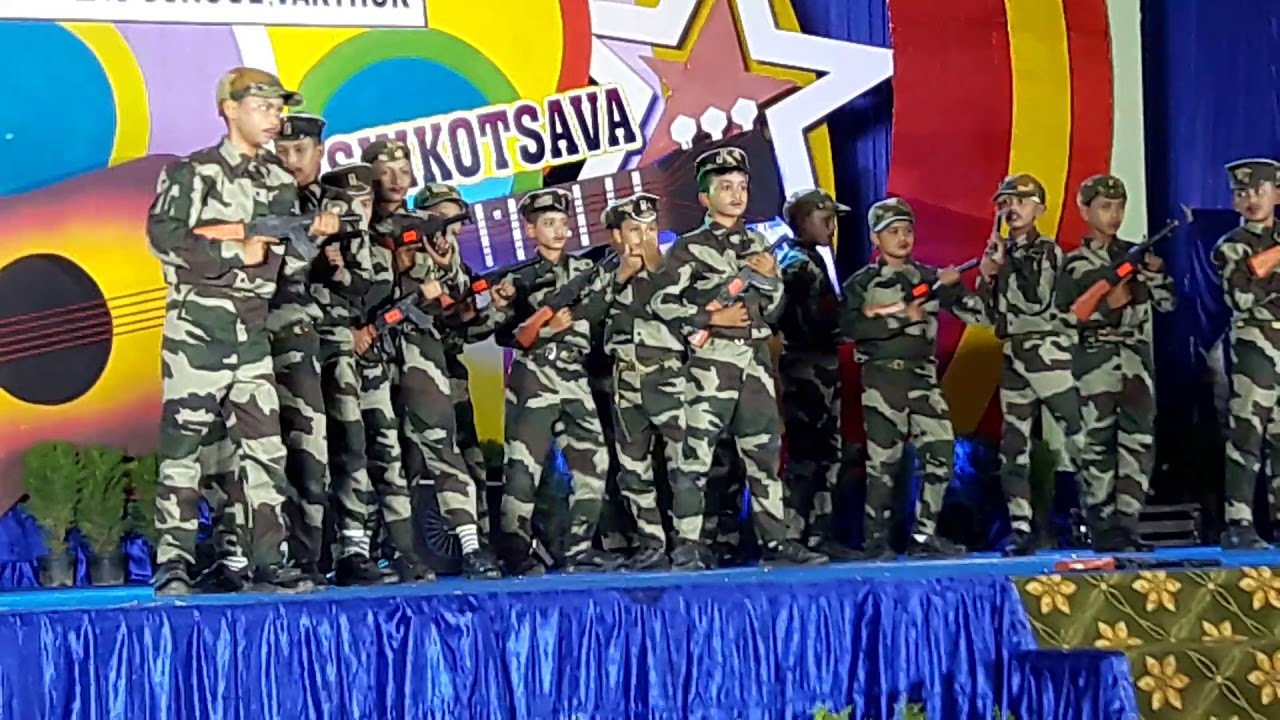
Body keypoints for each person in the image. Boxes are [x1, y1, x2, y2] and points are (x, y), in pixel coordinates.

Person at [146, 67, 336, 594]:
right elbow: (163, 238)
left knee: (266, 453)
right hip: (198, 332)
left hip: (253, 333)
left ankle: (269, 560)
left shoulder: (279, 181)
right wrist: (235, 250)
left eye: (278, 108)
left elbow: (286, 268)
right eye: (263, 107)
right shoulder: (194, 172)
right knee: (184, 453)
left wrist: (314, 239)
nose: (275, 118)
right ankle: (174, 562)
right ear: (230, 110)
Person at [649, 146, 826, 570]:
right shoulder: (689, 248)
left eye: (742, 186)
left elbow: (775, 310)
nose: (736, 194)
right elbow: (660, 303)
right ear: (704, 197)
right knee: (695, 457)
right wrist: (711, 316)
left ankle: (776, 542)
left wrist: (771, 279)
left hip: (756, 362)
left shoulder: (759, 244)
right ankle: (688, 544)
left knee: (764, 456)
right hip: (711, 363)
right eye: (725, 187)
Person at [841, 197, 986, 559]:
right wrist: (901, 317)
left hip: (923, 377)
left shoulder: (929, 278)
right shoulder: (862, 283)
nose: (903, 238)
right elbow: (849, 328)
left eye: (907, 230)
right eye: (893, 231)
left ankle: (924, 537)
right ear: (875, 238)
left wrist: (957, 286)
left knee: (941, 452)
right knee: (883, 465)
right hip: (882, 380)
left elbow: (981, 316)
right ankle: (876, 541)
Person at [494, 188, 624, 575]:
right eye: (548, 223)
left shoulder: (586, 270)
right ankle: (516, 551)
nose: (558, 230)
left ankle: (579, 549)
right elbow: (505, 335)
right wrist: (547, 329)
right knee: (524, 467)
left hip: (576, 375)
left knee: (594, 462)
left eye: (563, 223)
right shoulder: (519, 279)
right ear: (530, 230)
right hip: (535, 374)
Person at [1056, 174, 1175, 552]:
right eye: (1105, 207)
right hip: (1096, 361)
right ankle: (1102, 523)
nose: (1114, 215)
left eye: (1120, 207)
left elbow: (1168, 304)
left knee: (1138, 442)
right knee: (1096, 443)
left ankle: (1127, 522)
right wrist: (1109, 302)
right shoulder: (1074, 264)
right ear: (1085, 210)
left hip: (1136, 360)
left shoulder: (1135, 256)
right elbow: (1067, 317)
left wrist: (1155, 277)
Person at [392, 190, 505, 579]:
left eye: (455, 220)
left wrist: (485, 310)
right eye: (441, 217)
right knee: (395, 459)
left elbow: (470, 324)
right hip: (390, 363)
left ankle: (476, 543)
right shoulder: (398, 246)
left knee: (461, 455)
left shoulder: (457, 265)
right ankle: (396, 549)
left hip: (443, 369)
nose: (448, 228)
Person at [978, 174, 1086, 556]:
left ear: (1039, 208)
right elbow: (989, 312)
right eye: (1006, 202)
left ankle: (1101, 517)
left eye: (1021, 201)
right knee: (1014, 445)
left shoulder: (1046, 251)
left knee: (1079, 433)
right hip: (1014, 352)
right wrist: (987, 276)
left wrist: (1004, 266)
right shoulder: (1002, 252)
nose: (1012, 209)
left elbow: (1036, 299)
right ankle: (1021, 528)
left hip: (1046, 350)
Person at [314, 163, 396, 585]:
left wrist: (341, 271)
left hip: (348, 356)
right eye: (349, 205)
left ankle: (354, 549)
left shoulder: (364, 242)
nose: (357, 213)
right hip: (299, 350)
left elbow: (369, 288)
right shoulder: (304, 218)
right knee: (305, 455)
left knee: (352, 447)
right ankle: (306, 555)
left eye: (365, 204)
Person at [356, 139, 434, 581]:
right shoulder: (358, 225)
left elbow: (448, 289)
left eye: (403, 170)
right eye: (385, 171)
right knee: (372, 453)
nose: (396, 180)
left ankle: (404, 549)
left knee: (417, 456)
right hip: (369, 355)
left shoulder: (425, 225)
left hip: (419, 356)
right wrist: (392, 268)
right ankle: (363, 550)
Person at [267, 112, 340, 581]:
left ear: (320, 152)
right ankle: (265, 555)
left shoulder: (339, 203)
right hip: (257, 338)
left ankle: (312, 556)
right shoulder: (259, 197)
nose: (291, 160)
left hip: (318, 342)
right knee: (262, 453)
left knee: (314, 449)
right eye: (282, 151)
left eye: (300, 150)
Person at [776, 188, 858, 560]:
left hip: (820, 367)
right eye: (826, 219)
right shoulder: (798, 266)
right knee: (806, 456)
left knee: (827, 454)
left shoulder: (810, 260)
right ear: (804, 220)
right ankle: (792, 535)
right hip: (806, 369)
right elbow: (807, 321)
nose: (832, 227)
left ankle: (819, 534)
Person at [601, 192, 677, 571]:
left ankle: (690, 542)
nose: (645, 238)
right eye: (635, 230)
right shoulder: (602, 277)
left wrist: (658, 270)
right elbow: (586, 318)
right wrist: (619, 279)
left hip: (671, 376)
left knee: (683, 466)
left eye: (651, 229)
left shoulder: (676, 269)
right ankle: (651, 543)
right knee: (633, 468)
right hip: (626, 379)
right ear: (617, 236)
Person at [1211, 158, 1280, 550]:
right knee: (1248, 432)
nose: (1251, 198)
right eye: (1242, 192)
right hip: (1255, 340)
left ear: (1276, 193)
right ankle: (1238, 522)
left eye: (1259, 190)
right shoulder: (1231, 246)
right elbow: (1240, 298)